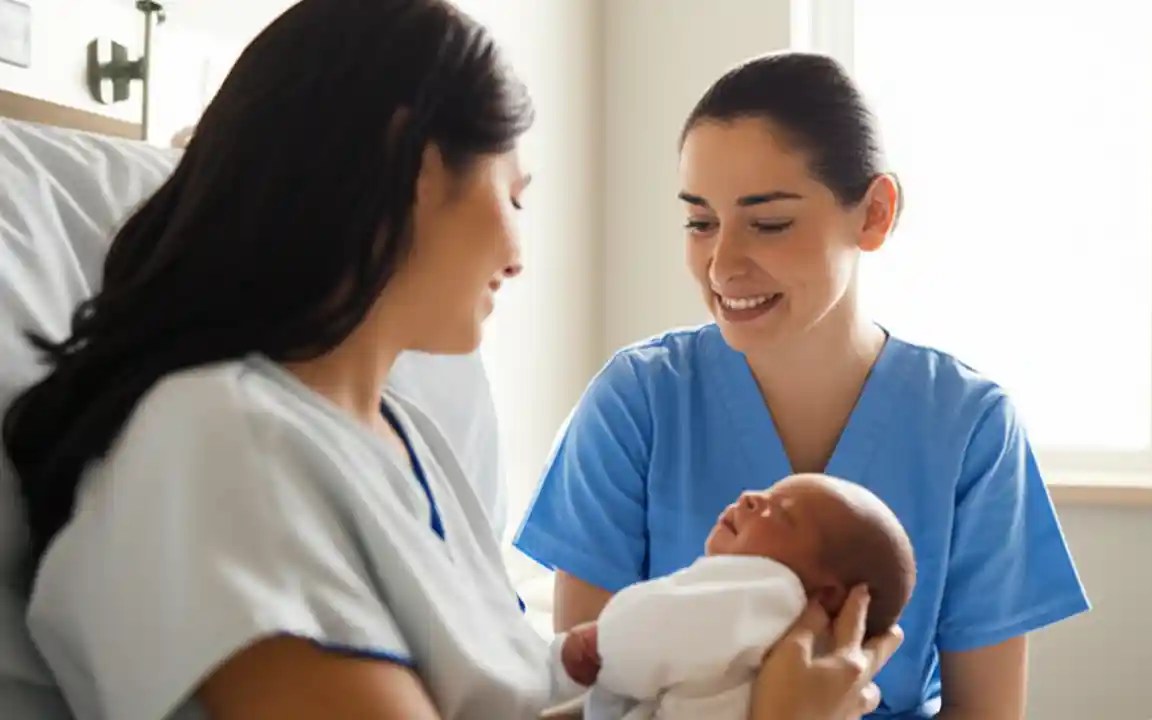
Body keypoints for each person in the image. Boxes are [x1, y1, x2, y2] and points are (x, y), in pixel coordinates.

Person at [0, 2, 895, 718]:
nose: (519, 252)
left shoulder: (402, 436)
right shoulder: (213, 441)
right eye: (512, 193)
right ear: (411, 165)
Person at [515, 51, 1090, 719]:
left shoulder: (970, 427)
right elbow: (588, 693)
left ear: (874, 213)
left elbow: (986, 713)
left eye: (769, 223)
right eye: (701, 223)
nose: (722, 265)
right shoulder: (635, 403)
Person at [577, 473, 916, 720]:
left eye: (783, 512)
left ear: (826, 596)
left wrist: (600, 644)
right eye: (767, 491)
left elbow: (645, 634)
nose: (750, 495)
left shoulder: (769, 588)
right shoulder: (820, 661)